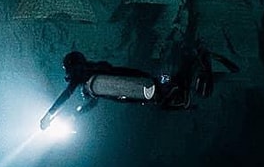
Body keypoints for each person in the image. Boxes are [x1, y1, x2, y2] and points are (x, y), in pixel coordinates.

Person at [38, 46, 238, 130]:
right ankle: (195, 63)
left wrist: (49, 115)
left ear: (72, 67)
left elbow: (67, 94)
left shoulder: (86, 77)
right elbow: (92, 102)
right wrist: (77, 113)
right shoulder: (95, 74)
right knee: (171, 98)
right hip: (141, 83)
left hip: (140, 88)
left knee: (168, 98)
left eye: (68, 70)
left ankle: (197, 61)